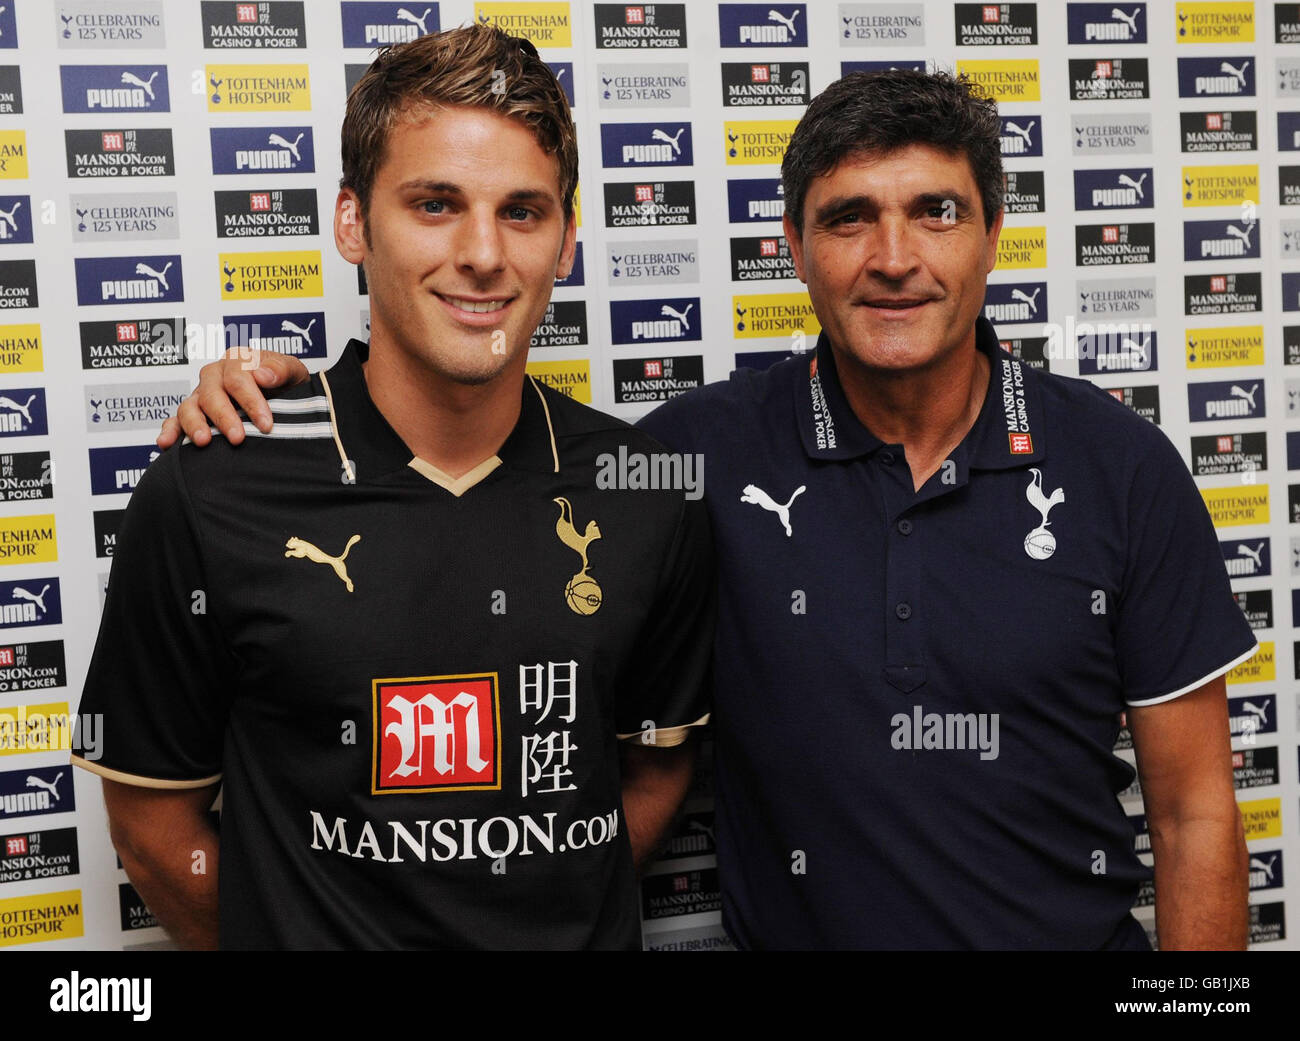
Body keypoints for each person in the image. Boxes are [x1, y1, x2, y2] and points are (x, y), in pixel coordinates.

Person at [162, 70, 1255, 950]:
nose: (893, 258)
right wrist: (268, 400)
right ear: (792, 247)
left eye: (935, 213)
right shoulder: (686, 459)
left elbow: (1197, 811)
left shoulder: (1122, 466)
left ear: (992, 232)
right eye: (848, 219)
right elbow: (474, 472)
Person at [74, 25, 715, 951]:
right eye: (435, 204)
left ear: (566, 240)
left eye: (523, 212)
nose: (483, 252)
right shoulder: (215, 486)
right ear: (352, 223)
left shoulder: (648, 490)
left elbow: (656, 771)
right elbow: (151, 824)